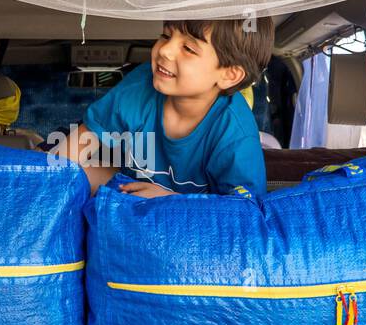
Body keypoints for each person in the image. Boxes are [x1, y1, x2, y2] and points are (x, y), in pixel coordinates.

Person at [59, 16, 274, 198]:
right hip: (129, 188)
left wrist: (170, 200)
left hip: (193, 218)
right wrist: (44, 176)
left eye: (188, 48)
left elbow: (244, 215)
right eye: (166, 36)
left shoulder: (237, 136)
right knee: (58, 172)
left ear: (229, 75)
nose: (165, 51)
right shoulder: (139, 87)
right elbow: (78, 145)